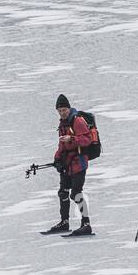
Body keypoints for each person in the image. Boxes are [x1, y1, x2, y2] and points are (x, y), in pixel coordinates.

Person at [41, 94, 95, 236]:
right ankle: (64, 222)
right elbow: (61, 145)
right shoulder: (63, 124)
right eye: (59, 111)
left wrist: (72, 138)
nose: (62, 113)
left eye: (64, 110)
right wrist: (57, 159)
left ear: (69, 108)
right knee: (63, 192)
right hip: (67, 163)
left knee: (76, 193)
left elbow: (87, 139)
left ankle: (86, 224)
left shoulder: (77, 121)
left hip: (79, 163)